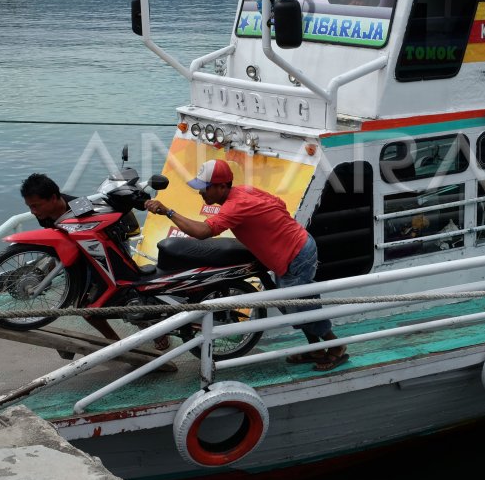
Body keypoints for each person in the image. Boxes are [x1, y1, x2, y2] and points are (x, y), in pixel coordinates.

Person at [145, 159, 348, 371]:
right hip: (291, 249)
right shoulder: (244, 191)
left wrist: (168, 212)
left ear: (222, 187)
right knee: (296, 304)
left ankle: (336, 346)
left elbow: (203, 232)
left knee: (300, 305)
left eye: (205, 188)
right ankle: (315, 350)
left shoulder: (235, 205)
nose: (201, 193)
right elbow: (279, 203)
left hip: (296, 254)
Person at [18, 173, 121, 342]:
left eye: (36, 206)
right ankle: (115, 342)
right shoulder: (44, 215)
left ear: (53, 198)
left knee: (123, 295)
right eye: (30, 207)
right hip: (78, 254)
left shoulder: (82, 210)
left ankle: (154, 332)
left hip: (106, 252)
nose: (33, 211)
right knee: (84, 308)